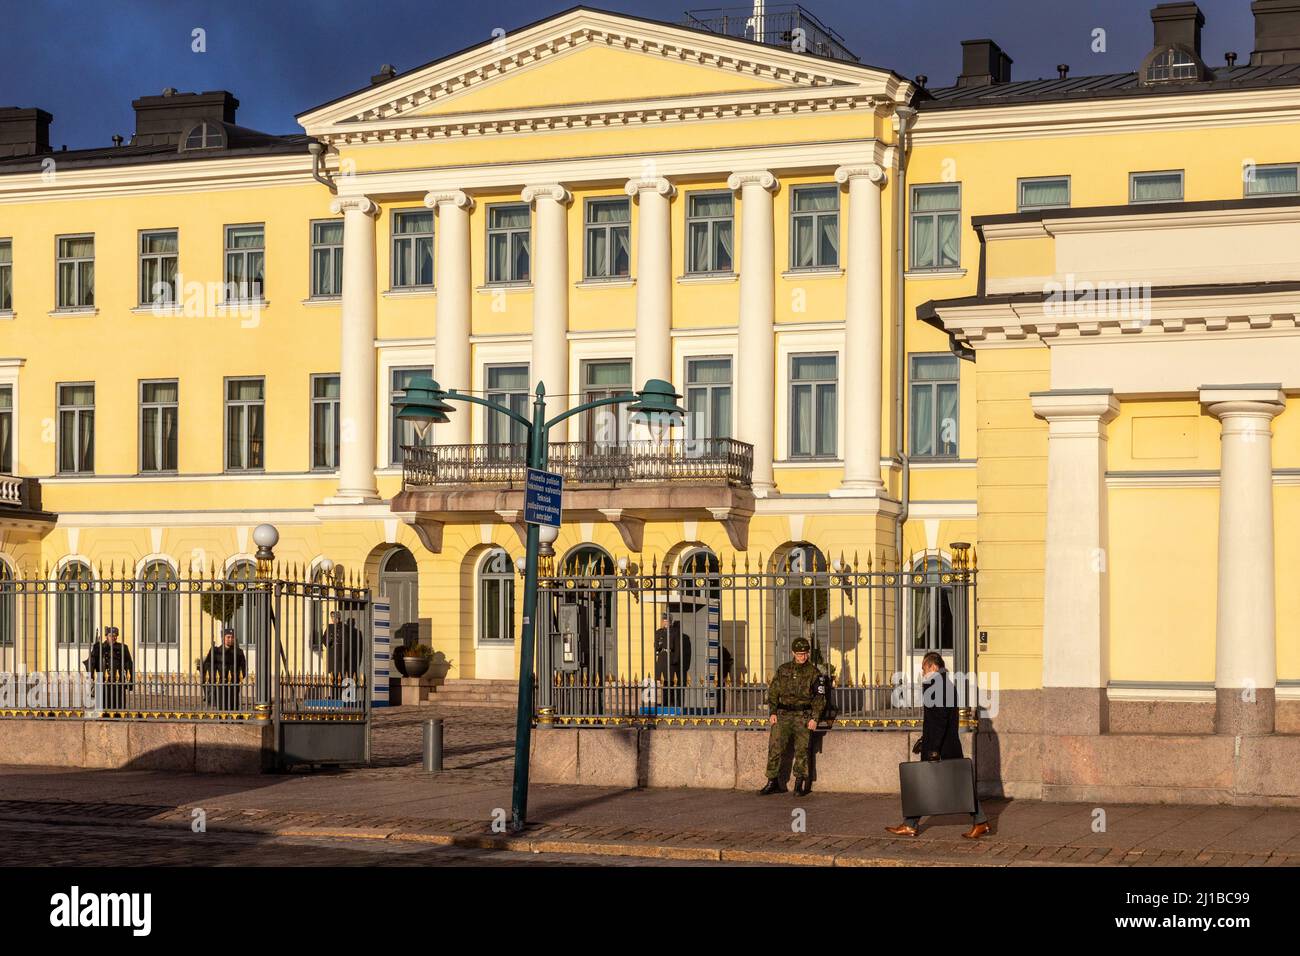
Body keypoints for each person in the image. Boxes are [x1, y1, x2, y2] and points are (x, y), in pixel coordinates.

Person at [886, 651, 989, 839]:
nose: (922, 672)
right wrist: (926, 741)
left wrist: (933, 748)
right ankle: (910, 824)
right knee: (930, 783)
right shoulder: (941, 683)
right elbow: (936, 720)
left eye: (924, 668)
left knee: (957, 785)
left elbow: (940, 720)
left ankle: (980, 822)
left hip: (942, 747)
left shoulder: (939, 685)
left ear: (933, 666)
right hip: (941, 744)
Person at [758, 636, 825, 796]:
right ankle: (772, 781)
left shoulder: (814, 673)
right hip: (783, 715)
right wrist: (772, 712)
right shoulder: (783, 669)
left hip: (803, 716)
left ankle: (799, 783)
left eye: (805, 653)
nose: (803, 657)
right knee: (775, 748)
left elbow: (819, 698)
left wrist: (814, 718)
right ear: (793, 653)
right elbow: (773, 691)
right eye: (799, 654)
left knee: (802, 750)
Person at [84, 626, 134, 711]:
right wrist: (91, 676)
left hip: (118, 680)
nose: (113, 638)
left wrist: (130, 682)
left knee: (118, 707)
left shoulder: (123, 648)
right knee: (102, 707)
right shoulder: (99, 647)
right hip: (102, 679)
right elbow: (91, 662)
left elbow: (129, 664)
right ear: (106, 636)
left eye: (115, 635)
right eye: (111, 635)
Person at [201, 628, 249, 710]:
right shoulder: (215, 651)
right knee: (221, 704)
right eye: (228, 637)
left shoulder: (239, 652)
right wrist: (216, 676)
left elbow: (243, 667)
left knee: (234, 704)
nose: (230, 639)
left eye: (232, 637)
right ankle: (222, 720)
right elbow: (208, 665)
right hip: (220, 682)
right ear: (223, 638)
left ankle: (234, 720)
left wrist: (237, 677)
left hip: (234, 683)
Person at [653, 613, 692, 709]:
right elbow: (656, 647)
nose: (665, 622)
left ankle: (673, 703)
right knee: (664, 683)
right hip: (662, 658)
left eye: (667, 621)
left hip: (671, 659)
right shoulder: (659, 632)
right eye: (664, 620)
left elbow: (678, 648)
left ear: (670, 622)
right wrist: (658, 643)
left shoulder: (675, 632)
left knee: (671, 682)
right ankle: (664, 703)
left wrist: (675, 660)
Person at [322, 610, 364, 678]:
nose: (333, 619)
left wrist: (343, 656)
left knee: (340, 676)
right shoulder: (330, 627)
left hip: (340, 656)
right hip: (331, 655)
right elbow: (323, 638)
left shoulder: (344, 627)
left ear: (339, 617)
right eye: (332, 617)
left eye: (335, 617)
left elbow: (346, 643)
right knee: (332, 677)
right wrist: (328, 642)